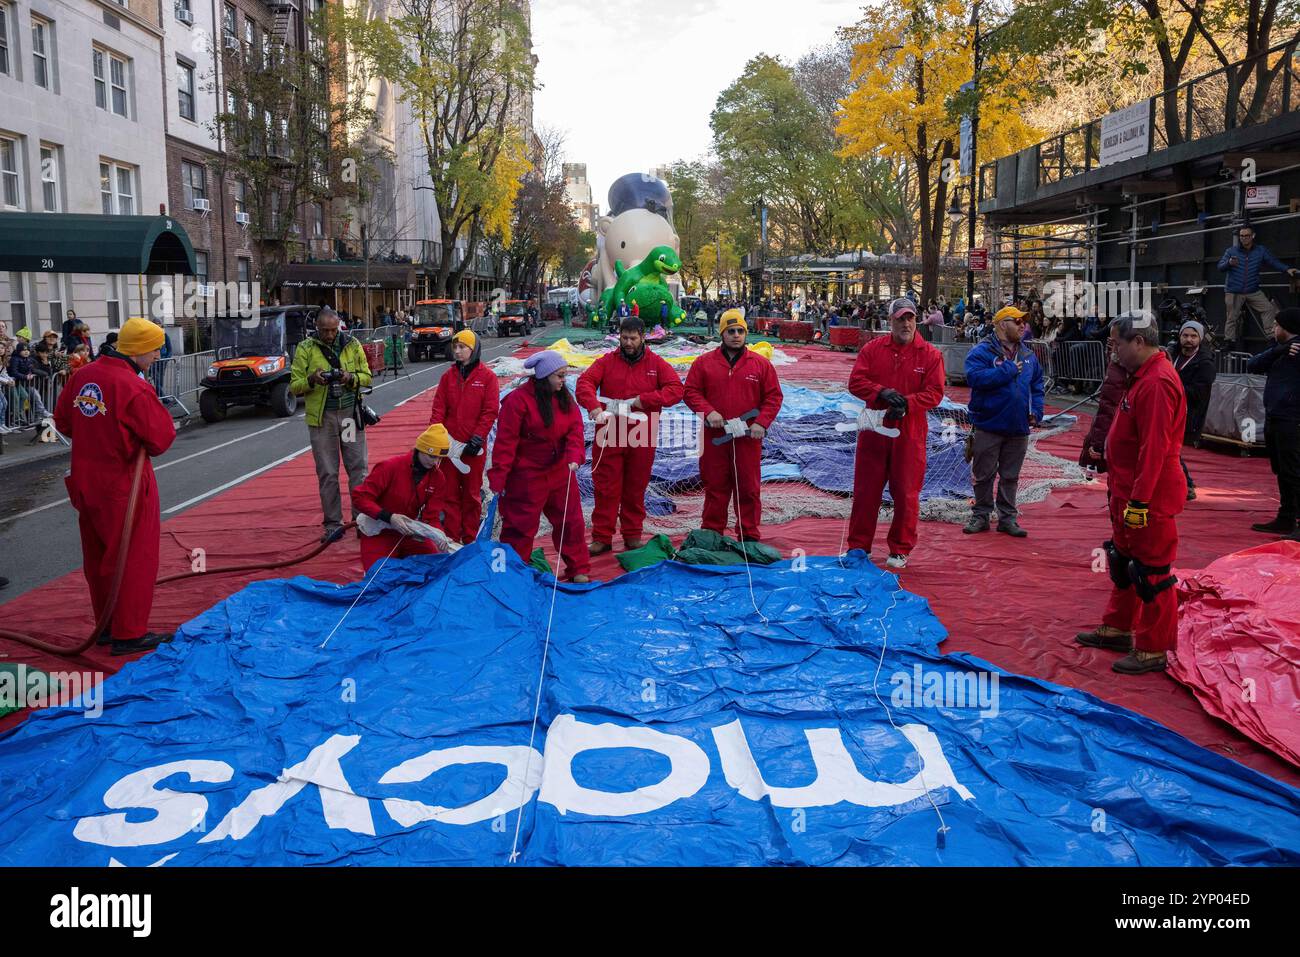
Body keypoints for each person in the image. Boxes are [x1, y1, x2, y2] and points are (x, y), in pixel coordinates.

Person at [53, 317, 177, 655]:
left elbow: (63, 419)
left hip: (86, 480)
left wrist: (97, 433)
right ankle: (129, 632)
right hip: (125, 484)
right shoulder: (133, 386)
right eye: (154, 349)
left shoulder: (84, 375)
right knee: (133, 556)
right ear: (139, 349)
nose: (157, 355)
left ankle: (106, 626)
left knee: (99, 557)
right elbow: (161, 437)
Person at [1075, 311, 1187, 675]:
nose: (1113, 352)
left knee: (1151, 570)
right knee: (1123, 561)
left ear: (1138, 342)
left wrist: (1139, 501)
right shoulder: (1139, 378)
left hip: (1148, 496)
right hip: (1127, 489)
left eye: (1117, 344)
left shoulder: (1155, 383)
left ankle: (1153, 647)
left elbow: (1153, 449)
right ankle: (1119, 627)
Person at [846, 298, 946, 568]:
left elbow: (935, 393)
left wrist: (907, 405)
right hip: (874, 429)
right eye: (901, 318)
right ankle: (858, 546)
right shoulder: (872, 349)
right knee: (866, 490)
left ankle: (900, 548)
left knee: (906, 493)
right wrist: (881, 392)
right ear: (890, 321)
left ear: (917, 320)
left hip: (909, 432)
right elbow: (855, 382)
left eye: (910, 318)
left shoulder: (930, 355)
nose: (906, 323)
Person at [576, 316, 684, 553]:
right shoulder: (607, 362)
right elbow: (585, 382)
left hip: (641, 434)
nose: (628, 343)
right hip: (610, 433)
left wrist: (644, 400)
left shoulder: (656, 364)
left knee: (636, 487)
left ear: (643, 337)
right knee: (606, 487)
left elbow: (676, 389)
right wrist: (593, 406)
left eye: (633, 338)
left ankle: (632, 534)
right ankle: (602, 537)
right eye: (624, 338)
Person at [487, 350, 591, 582]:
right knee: (519, 526)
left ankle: (578, 568)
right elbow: (506, 442)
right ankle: (514, 571)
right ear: (544, 377)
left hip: (561, 472)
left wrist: (575, 455)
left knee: (570, 521)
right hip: (527, 475)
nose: (564, 380)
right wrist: (499, 477)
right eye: (560, 376)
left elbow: (575, 429)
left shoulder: (566, 398)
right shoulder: (517, 401)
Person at [683, 309, 784, 542]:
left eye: (740, 331)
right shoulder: (704, 363)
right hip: (714, 438)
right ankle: (711, 533)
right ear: (722, 334)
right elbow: (690, 392)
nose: (736, 335)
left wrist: (761, 423)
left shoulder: (760, 365)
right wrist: (709, 412)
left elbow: (773, 397)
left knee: (748, 487)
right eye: (731, 331)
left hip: (748, 439)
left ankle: (748, 535)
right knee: (715, 486)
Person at [289, 306, 373, 543]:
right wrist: (312, 380)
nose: (329, 335)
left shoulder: (353, 344)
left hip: (348, 415)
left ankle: (361, 521)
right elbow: (294, 385)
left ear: (339, 327)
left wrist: (350, 377)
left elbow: (367, 377)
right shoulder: (305, 348)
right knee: (328, 472)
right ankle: (333, 524)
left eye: (333, 330)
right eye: (324, 330)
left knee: (357, 469)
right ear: (316, 327)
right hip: (322, 419)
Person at [963, 305, 1044, 537]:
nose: (1022, 325)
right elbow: (974, 377)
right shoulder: (982, 351)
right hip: (989, 424)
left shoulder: (1028, 355)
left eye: (1023, 321)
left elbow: (1037, 385)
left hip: (1018, 426)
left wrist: (1036, 410)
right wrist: (1006, 371)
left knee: (1011, 475)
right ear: (1001, 324)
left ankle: (1007, 518)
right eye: (1016, 321)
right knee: (984, 473)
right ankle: (981, 515)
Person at [428, 329, 499, 543]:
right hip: (449, 446)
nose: (457, 351)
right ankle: (451, 538)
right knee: (449, 494)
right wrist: (435, 435)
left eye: (462, 347)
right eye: (455, 347)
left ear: (473, 349)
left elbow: (490, 410)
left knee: (471, 494)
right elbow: (438, 409)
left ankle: (468, 539)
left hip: (473, 447)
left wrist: (477, 437)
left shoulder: (487, 377)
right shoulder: (447, 377)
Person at [351, 424, 455, 570]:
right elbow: (360, 497)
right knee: (379, 576)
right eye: (432, 456)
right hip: (379, 530)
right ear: (420, 450)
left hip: (409, 532)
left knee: (435, 568)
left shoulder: (438, 478)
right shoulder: (390, 467)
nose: (435, 462)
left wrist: (439, 535)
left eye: (440, 458)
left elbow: (431, 516)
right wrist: (389, 517)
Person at [1246, 307, 1300, 539]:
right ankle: (1286, 517)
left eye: (1276, 325)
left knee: (1293, 471)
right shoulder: (1279, 348)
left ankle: (1295, 520)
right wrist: (1279, 350)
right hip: (1276, 417)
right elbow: (1253, 365)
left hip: (1292, 418)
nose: (1273, 328)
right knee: (1282, 470)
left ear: (1286, 328)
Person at [1218, 224, 1299, 351]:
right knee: (1232, 316)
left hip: (1252, 290)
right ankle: (1229, 342)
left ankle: (1272, 338)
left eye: (1247, 236)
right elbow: (1220, 267)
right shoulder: (1231, 251)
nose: (1244, 238)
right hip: (1234, 291)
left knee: (1268, 309)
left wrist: (1287, 269)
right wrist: (1229, 263)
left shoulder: (1260, 250)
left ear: (1253, 236)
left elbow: (1273, 262)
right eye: (1241, 236)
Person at [1167, 320, 1217, 500]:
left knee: (1171, 450)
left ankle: (1187, 484)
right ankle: (1184, 484)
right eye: (1185, 335)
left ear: (1200, 339)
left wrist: (1171, 386)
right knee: (1169, 449)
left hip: (1189, 414)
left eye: (1193, 336)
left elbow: (1199, 393)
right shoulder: (1172, 355)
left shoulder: (1205, 363)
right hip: (1167, 410)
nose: (1189, 339)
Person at [6, 341, 50, 422]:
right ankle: (17, 418)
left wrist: (30, 374)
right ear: (19, 351)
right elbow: (14, 372)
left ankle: (37, 413)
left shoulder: (28, 359)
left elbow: (30, 369)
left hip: (24, 384)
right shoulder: (15, 359)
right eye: (23, 350)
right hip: (15, 383)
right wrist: (26, 377)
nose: (26, 352)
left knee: (31, 396)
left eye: (27, 350)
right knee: (18, 398)